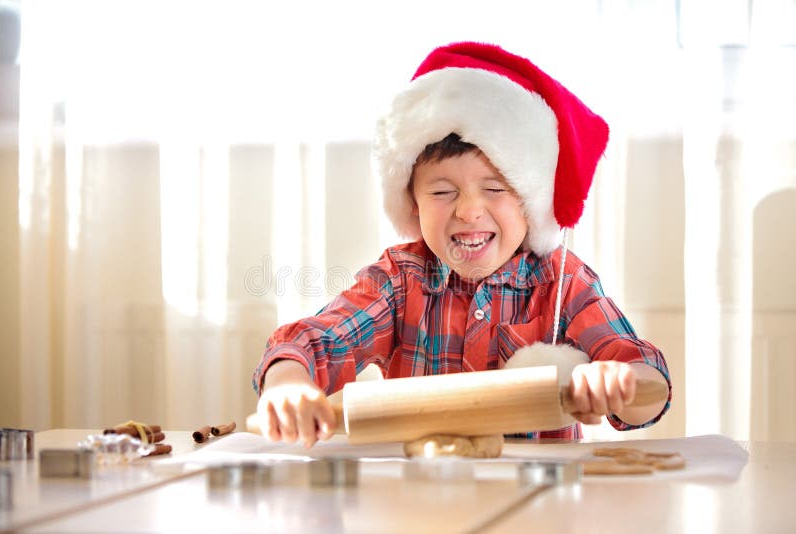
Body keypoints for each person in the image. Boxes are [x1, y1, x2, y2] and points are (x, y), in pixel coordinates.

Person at [252, 41, 671, 448]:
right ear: (413, 204)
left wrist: (621, 384)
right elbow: (318, 341)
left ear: (531, 202)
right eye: (442, 192)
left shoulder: (564, 282)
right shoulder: (399, 280)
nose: (469, 211)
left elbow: (647, 378)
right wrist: (287, 384)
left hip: (537, 508)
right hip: (419, 502)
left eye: (494, 188)